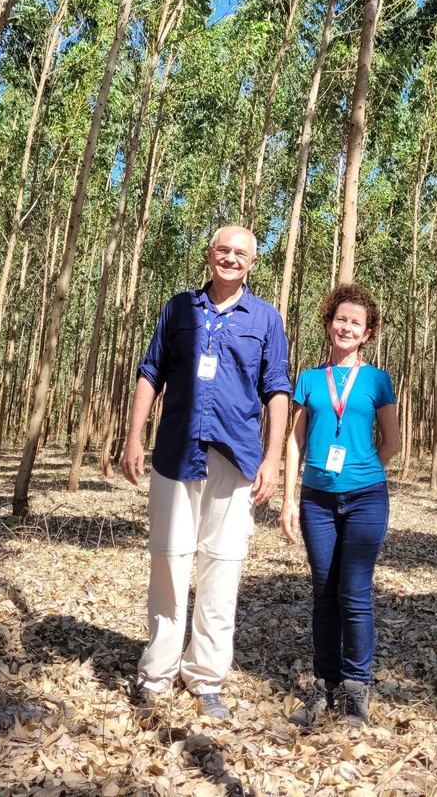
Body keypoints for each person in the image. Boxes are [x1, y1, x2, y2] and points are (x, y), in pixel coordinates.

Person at [122, 225, 291, 721]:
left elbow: (276, 389)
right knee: (168, 563)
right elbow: (151, 371)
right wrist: (134, 436)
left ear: (252, 263)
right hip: (175, 453)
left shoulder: (265, 318)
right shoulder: (178, 309)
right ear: (209, 254)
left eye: (241, 253)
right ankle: (156, 673)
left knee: (223, 565)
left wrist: (272, 457)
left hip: (236, 457)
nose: (230, 258)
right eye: (223, 249)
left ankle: (207, 677)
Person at [280, 283, 400, 728]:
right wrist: (289, 498)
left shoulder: (377, 379)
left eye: (356, 322)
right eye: (341, 319)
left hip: (367, 498)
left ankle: (355, 690)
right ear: (329, 324)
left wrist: (363, 471)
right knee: (324, 593)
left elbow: (392, 442)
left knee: (354, 593)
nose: (346, 327)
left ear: (368, 333)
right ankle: (325, 687)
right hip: (316, 500)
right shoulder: (309, 380)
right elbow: (294, 442)